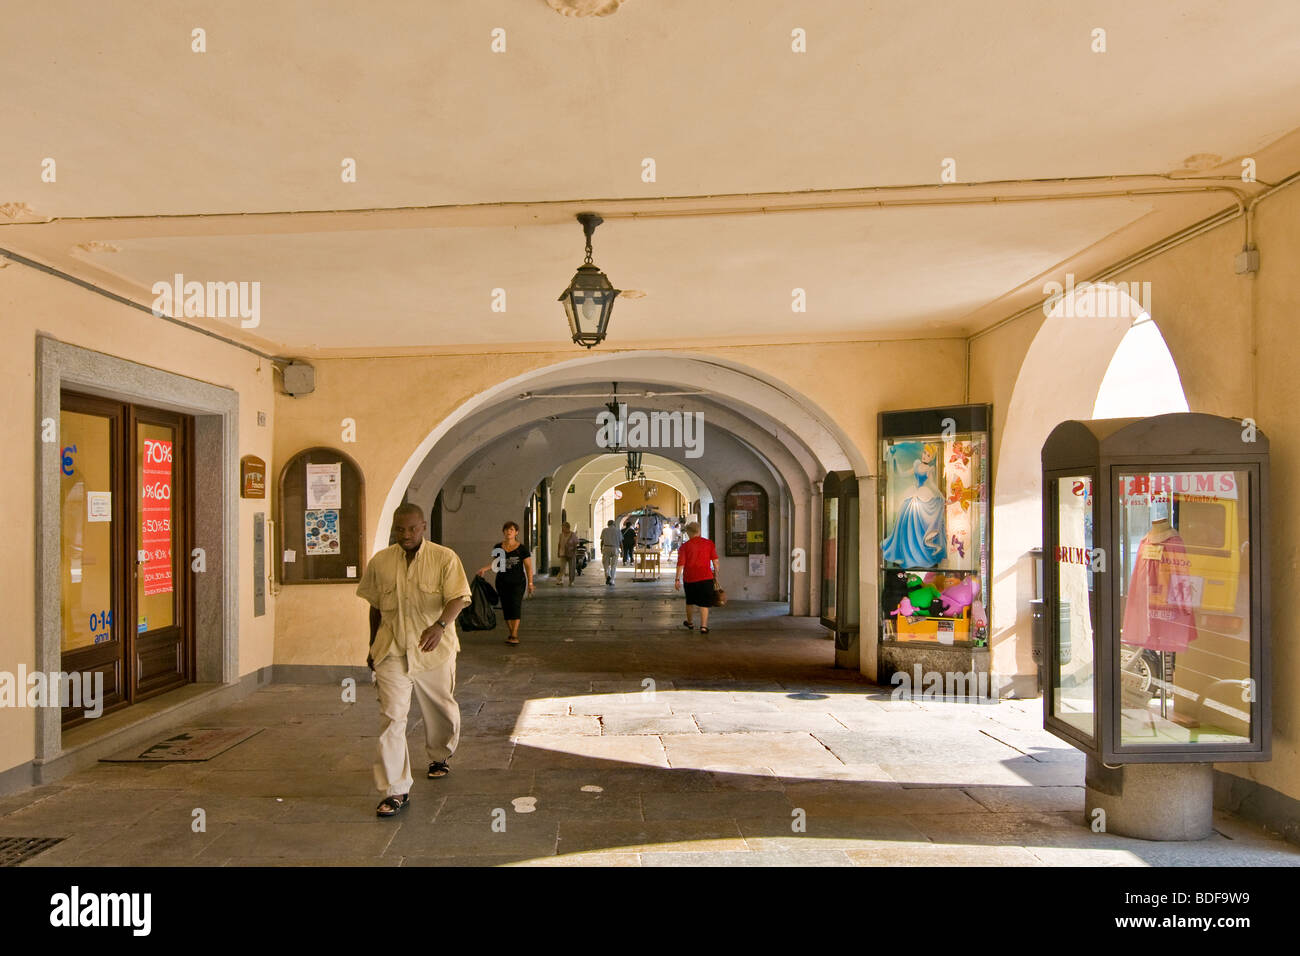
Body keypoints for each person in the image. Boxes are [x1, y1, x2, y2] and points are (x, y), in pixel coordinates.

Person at [355, 503, 472, 818]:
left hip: (433, 648)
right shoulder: (381, 562)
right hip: (391, 649)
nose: (405, 535)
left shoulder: (444, 558)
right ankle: (395, 790)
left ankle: (439, 754)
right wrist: (371, 644)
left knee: (442, 710)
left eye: (411, 529)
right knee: (392, 718)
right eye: (400, 529)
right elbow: (376, 606)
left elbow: (459, 597)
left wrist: (440, 625)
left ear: (423, 527)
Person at [478, 520, 533, 645]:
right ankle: (511, 632)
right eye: (507, 530)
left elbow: (529, 567)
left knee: (515, 606)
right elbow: (497, 564)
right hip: (502, 581)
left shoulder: (522, 549)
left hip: (518, 582)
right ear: (503, 532)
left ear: (516, 532)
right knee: (506, 607)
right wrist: (484, 569)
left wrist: (530, 583)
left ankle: (514, 634)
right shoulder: (498, 547)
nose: (509, 532)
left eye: (512, 530)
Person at [674, 520, 720, 633]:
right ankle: (704, 627)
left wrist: (677, 579)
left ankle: (690, 623)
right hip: (706, 577)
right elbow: (715, 561)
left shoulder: (684, 547)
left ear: (688, 533)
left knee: (690, 601)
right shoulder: (709, 543)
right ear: (699, 531)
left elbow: (680, 565)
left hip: (690, 578)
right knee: (704, 603)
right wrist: (716, 575)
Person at [556, 521, 579, 586]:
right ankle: (560, 580)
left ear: (567, 527)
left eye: (563, 527)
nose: (562, 528)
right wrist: (558, 552)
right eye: (562, 527)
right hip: (562, 553)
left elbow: (576, 543)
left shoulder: (573, 534)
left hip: (571, 554)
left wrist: (573, 551)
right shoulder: (561, 535)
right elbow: (559, 544)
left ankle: (571, 581)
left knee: (572, 568)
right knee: (562, 568)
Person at [599, 519, 621, 586]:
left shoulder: (604, 530)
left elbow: (602, 541)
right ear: (614, 524)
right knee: (613, 565)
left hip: (606, 547)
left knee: (606, 564)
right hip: (615, 548)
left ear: (608, 524)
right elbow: (621, 542)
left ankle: (608, 576)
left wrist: (601, 548)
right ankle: (612, 580)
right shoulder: (618, 530)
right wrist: (622, 550)